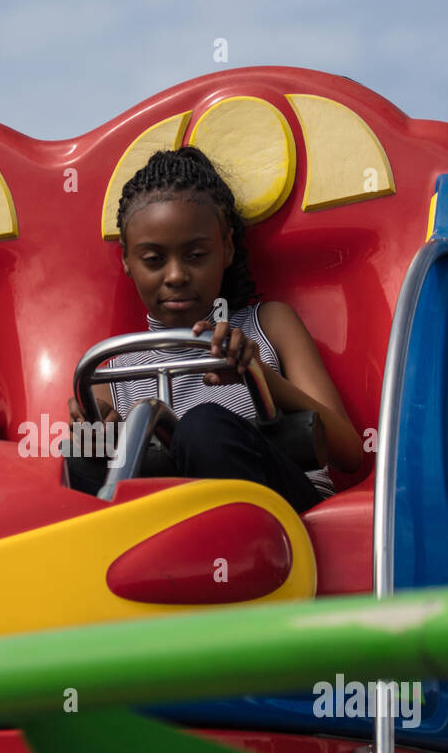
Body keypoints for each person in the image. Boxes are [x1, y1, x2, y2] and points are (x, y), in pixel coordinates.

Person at [68, 146, 362, 510]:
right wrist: (93, 430)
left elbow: (350, 452)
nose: (176, 276)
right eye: (154, 260)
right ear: (127, 260)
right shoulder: (112, 367)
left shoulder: (268, 324)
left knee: (201, 428)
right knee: (77, 457)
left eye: (195, 256)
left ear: (227, 248)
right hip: (172, 523)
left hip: (281, 512)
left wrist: (260, 376)